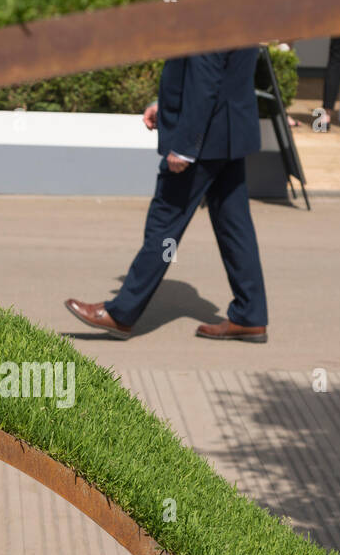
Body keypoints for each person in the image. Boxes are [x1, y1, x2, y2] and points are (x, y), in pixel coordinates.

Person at [65, 48, 268, 343]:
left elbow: (206, 79)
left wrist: (187, 145)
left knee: (165, 223)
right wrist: (167, 104)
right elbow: (218, 72)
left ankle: (121, 313)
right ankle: (250, 316)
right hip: (228, 132)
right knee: (234, 226)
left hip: (205, 139)